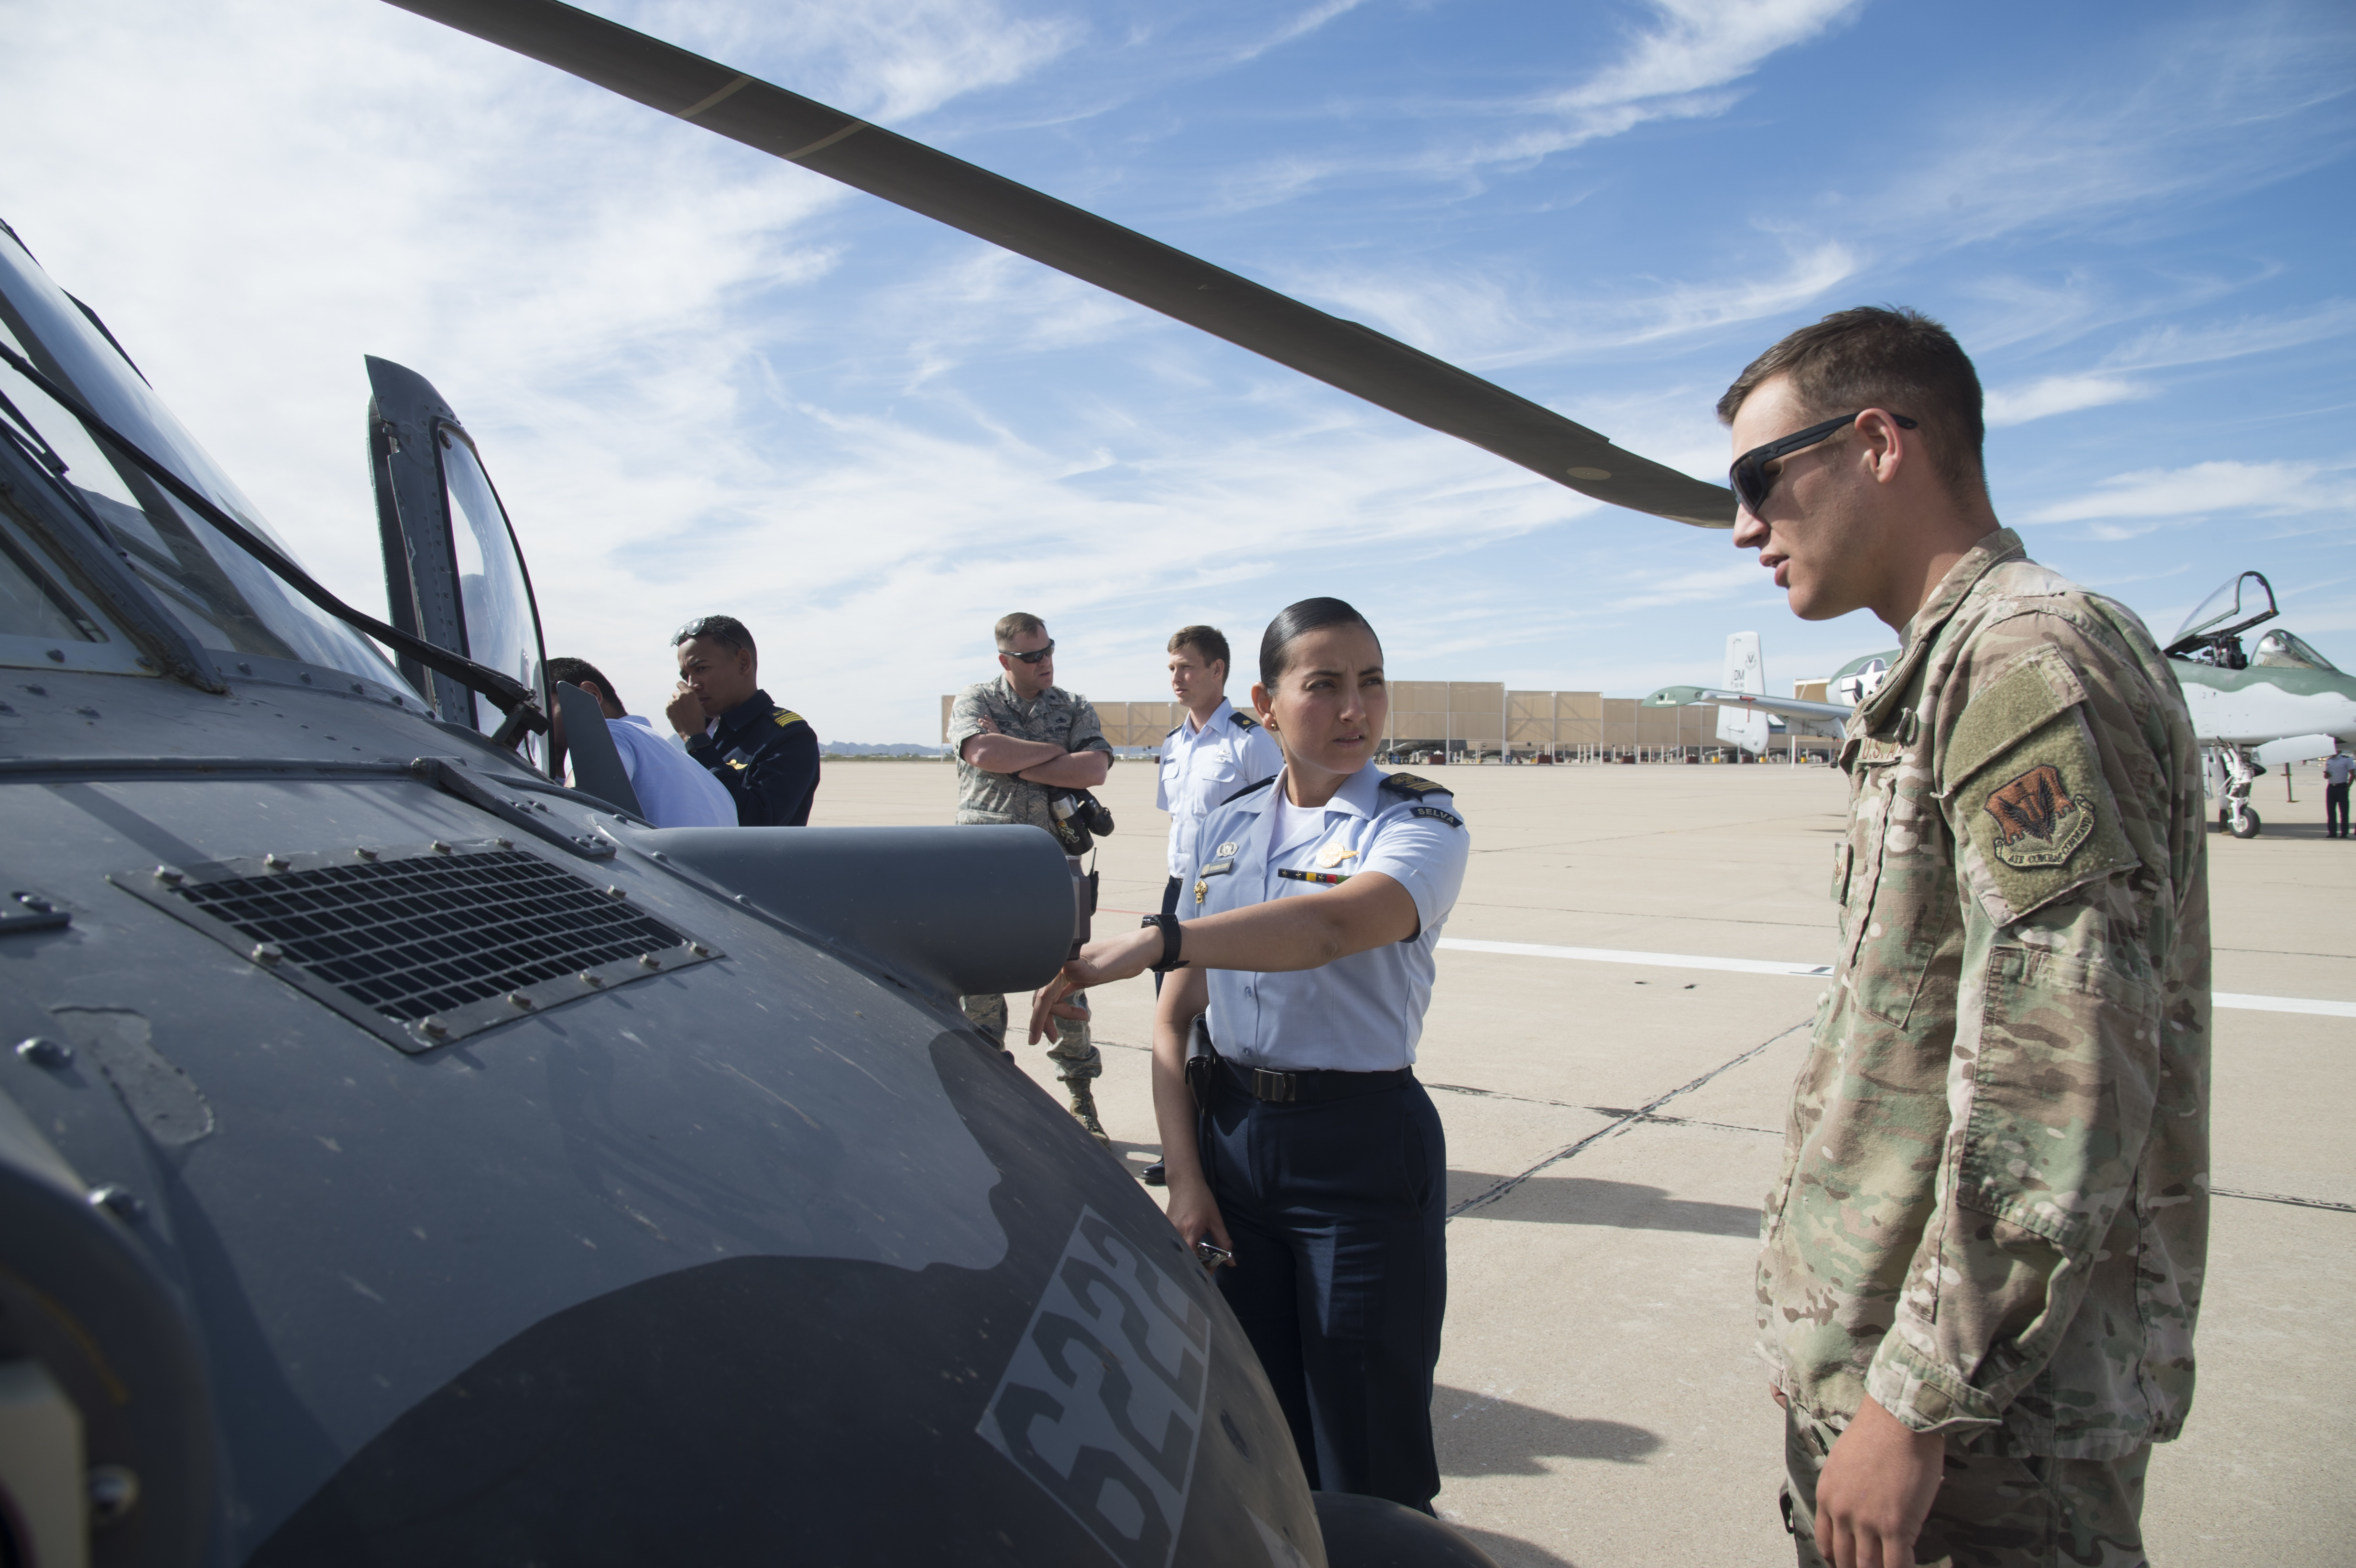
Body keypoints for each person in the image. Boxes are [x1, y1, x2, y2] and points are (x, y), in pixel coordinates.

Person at [1721, 306, 2210, 1568]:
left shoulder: (2026, 661)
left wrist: (1917, 1402)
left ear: (1878, 441)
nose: (1743, 526)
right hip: (1908, 1390)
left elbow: (2059, 1081)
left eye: (1759, 479)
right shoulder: (1944, 672)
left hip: (1986, 1439)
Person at [1030, 598, 1468, 1514]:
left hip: (1357, 1154)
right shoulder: (1226, 824)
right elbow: (1173, 1021)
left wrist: (1156, 940)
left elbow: (1332, 926)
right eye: (1325, 687)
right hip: (1232, 1146)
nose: (1355, 710)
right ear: (1267, 706)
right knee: (1258, 1433)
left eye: (1371, 684)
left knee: (1368, 1457)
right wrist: (1186, 1179)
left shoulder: (1416, 823)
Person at [946, 613, 1115, 1143]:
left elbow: (1093, 770)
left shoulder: (1072, 705)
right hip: (984, 866)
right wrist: (1053, 757)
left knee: (1069, 985)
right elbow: (981, 751)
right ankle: (986, 1097)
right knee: (980, 990)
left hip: (1054, 865)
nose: (1044, 662)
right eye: (1030, 656)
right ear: (1004, 661)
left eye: (1047, 650)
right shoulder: (975, 700)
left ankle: (1081, 1096)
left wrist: (1016, 761)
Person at [1136, 624, 1283, 1186]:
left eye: (1187, 667)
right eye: (1171, 668)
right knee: (1170, 1019)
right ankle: (1181, 1153)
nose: (1176, 678)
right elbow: (1178, 824)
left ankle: (1225, 1148)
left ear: (1218, 670)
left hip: (1231, 895)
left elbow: (1273, 819)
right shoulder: (1175, 744)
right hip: (1180, 892)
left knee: (1223, 1023)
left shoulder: (1248, 740)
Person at [665, 616, 821, 827]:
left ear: (743, 663)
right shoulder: (702, 729)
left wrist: (697, 742)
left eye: (701, 669)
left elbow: (756, 823)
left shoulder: (789, 736)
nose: (692, 685)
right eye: (686, 676)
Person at [546, 656, 736, 828]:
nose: (537, 727)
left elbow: (576, 811)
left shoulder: (610, 734)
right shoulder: (712, 784)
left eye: (543, 707)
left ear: (591, 697)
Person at [2326, 742, 2353, 838]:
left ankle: (2344, 833)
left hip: (2342, 787)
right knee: (2331, 811)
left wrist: (2348, 786)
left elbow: (2353, 774)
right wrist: (2327, 775)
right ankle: (2332, 832)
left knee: (2344, 811)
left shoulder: (2346, 760)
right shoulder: (2329, 760)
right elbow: (2326, 776)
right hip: (2331, 787)